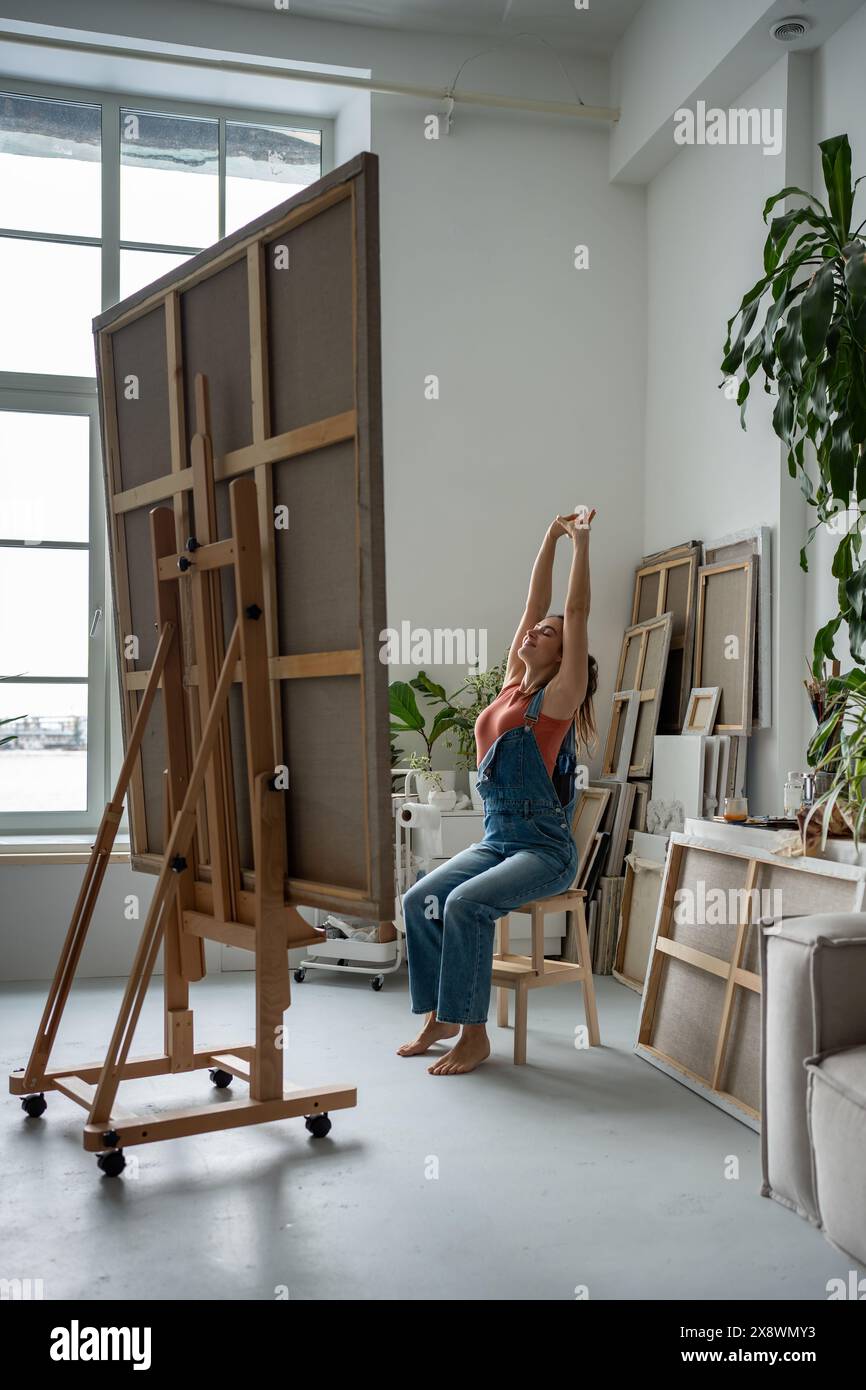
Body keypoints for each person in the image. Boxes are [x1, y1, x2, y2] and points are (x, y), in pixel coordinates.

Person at [398, 507, 598, 1074]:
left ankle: (474, 1034)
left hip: (543, 849)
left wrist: (581, 542)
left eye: (550, 634)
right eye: (536, 630)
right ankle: (440, 1013)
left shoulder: (560, 697)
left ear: (565, 657)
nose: (536, 631)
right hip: (497, 839)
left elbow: (576, 609)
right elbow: (531, 605)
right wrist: (549, 537)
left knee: (465, 904)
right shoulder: (513, 685)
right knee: (420, 899)